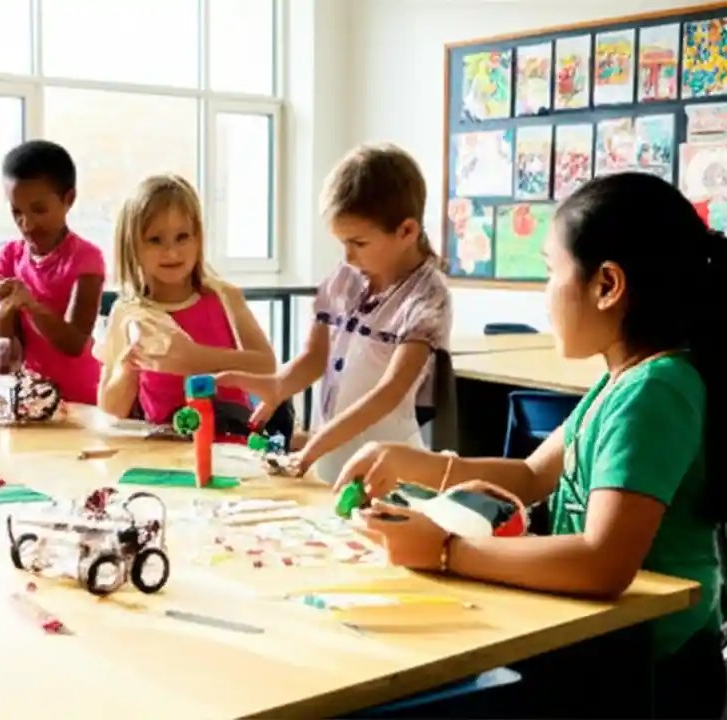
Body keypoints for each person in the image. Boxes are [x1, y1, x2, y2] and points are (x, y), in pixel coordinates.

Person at [339, 172, 724, 718]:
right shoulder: (622, 379)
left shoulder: (656, 391)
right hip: (608, 645)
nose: (546, 296)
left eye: (550, 272)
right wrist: (417, 464)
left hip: (654, 671)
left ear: (607, 286)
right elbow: (531, 476)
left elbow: (602, 562)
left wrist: (447, 552)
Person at [220, 144, 451, 481]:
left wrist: (311, 448)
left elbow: (388, 394)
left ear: (407, 232)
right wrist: (278, 385)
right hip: (329, 459)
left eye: (358, 243)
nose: (347, 257)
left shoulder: (428, 297)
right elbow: (314, 358)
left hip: (388, 469)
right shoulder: (345, 278)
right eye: (342, 243)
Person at [95, 174, 284, 437]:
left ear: (198, 239)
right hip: (163, 457)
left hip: (231, 451)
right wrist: (128, 370)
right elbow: (110, 411)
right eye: (155, 240)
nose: (171, 253)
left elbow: (266, 365)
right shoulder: (128, 314)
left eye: (182, 237)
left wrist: (195, 359)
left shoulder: (224, 296)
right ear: (133, 247)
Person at [0, 140, 105, 404]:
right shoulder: (10, 256)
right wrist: (4, 309)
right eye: (16, 212)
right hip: (29, 395)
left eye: (39, 210)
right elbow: (8, 339)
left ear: (69, 199)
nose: (27, 223)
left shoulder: (87, 258)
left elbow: (74, 343)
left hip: (78, 397)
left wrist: (30, 305)